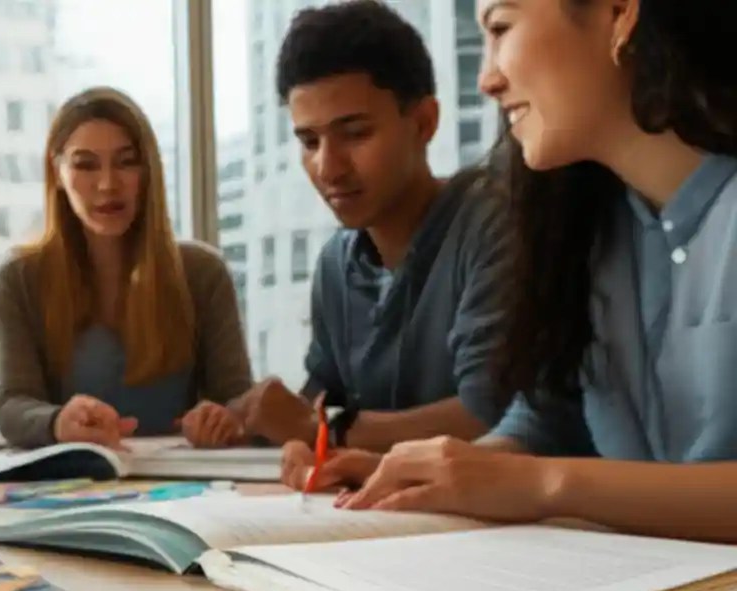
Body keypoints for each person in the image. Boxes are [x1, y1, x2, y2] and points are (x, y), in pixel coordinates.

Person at [287, 0, 737, 544]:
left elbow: (546, 472)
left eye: (501, 27)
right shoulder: (586, 227)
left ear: (619, 14)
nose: (487, 79)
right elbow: (549, 419)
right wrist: (449, 471)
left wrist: (545, 483)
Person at [230, 0, 511, 454]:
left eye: (355, 133)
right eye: (309, 141)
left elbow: (491, 417)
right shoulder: (336, 265)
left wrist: (323, 429)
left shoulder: (494, 224)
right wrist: (246, 421)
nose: (328, 167)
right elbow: (324, 399)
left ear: (424, 123)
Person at [0, 87, 253, 449]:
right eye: (85, 164)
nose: (108, 184)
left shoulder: (202, 272)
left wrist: (224, 419)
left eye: (126, 162)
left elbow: (237, 398)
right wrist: (57, 422)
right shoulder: (18, 277)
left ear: (148, 172)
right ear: (58, 174)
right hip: (68, 482)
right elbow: (11, 405)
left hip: (185, 486)